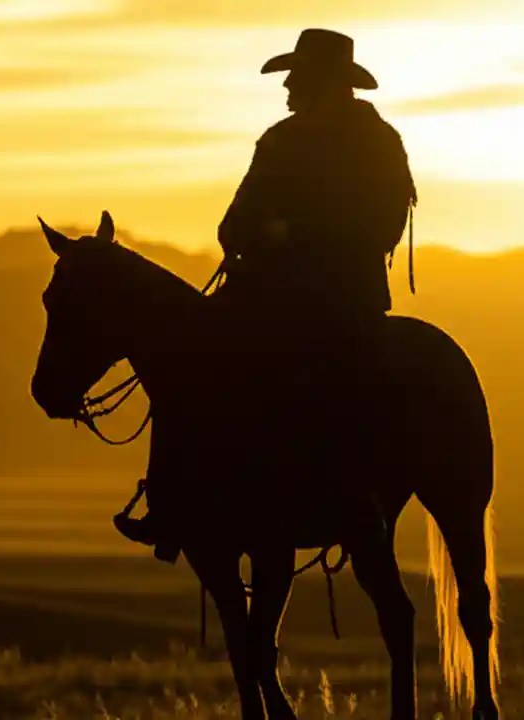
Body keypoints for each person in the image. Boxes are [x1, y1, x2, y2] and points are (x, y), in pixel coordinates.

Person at [117, 28, 416, 559]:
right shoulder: (277, 141)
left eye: (298, 77)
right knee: (189, 362)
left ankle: (355, 496)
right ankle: (169, 502)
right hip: (269, 291)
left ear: (327, 82)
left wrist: (297, 237)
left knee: (338, 382)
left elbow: (386, 223)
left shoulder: (378, 145)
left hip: (344, 297)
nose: (288, 88)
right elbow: (233, 223)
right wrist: (255, 237)